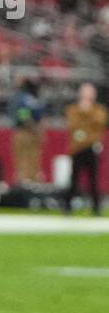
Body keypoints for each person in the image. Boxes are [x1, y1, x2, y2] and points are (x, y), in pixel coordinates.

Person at [64, 82, 108, 215]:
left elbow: (99, 124)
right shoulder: (72, 109)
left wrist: (87, 112)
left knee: (93, 179)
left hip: (91, 147)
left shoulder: (99, 110)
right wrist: (83, 113)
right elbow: (72, 124)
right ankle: (68, 207)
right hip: (77, 148)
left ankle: (96, 207)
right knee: (73, 179)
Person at [9, 77, 44, 185]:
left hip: (24, 131)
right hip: (26, 131)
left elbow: (22, 113)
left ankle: (27, 182)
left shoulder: (20, 97)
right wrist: (34, 127)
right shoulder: (26, 98)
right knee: (27, 160)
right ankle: (25, 184)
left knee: (28, 160)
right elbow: (23, 114)